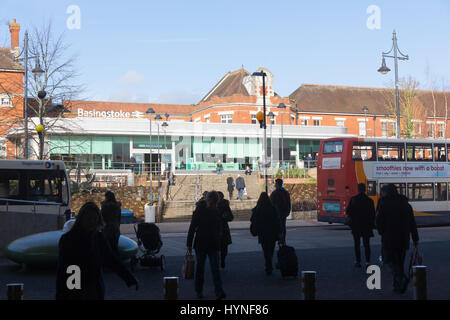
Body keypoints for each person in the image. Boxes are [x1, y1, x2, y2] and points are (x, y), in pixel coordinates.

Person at [56, 202, 138, 300]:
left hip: (93, 288)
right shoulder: (70, 239)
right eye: (89, 219)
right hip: (79, 290)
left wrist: (129, 277)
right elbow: (64, 269)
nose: (92, 222)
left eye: (94, 219)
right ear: (81, 219)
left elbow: (111, 260)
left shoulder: (98, 238)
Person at [376, 184, 419, 294]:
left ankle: (401, 278)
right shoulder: (406, 205)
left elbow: (378, 221)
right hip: (403, 239)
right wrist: (415, 238)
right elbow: (412, 223)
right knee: (400, 262)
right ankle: (398, 286)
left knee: (389, 260)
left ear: (386, 192)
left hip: (389, 239)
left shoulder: (384, 204)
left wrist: (381, 232)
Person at [187, 191, 226, 300]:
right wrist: (189, 244)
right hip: (205, 243)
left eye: (214, 203)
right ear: (208, 200)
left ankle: (216, 291)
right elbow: (193, 227)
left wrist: (189, 244)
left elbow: (192, 227)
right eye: (212, 202)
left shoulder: (214, 210)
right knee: (206, 269)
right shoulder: (201, 210)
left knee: (209, 268)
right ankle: (205, 291)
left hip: (205, 243)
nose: (213, 204)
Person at [250, 192, 282, 275]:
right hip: (272, 232)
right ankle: (269, 264)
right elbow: (277, 221)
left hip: (262, 232)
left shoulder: (257, 208)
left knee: (265, 249)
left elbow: (252, 219)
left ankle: (268, 265)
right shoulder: (273, 208)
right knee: (271, 249)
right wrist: (280, 232)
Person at [345, 183, 376, 268]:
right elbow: (373, 214)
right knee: (367, 244)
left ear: (358, 189)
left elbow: (348, 211)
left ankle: (358, 262)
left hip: (356, 225)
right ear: (365, 189)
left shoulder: (353, 199)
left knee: (357, 244)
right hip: (366, 226)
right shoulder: (370, 200)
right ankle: (367, 262)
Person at [269, 179, 291, 243]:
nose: (275, 185)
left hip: (276, 213)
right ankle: (283, 239)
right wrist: (288, 211)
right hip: (284, 212)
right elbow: (288, 203)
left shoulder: (274, 193)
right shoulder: (285, 192)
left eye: (275, 183)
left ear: (277, 184)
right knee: (283, 226)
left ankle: (279, 239)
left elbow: (271, 203)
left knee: (277, 227)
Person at [217, 191, 234, 269]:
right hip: (218, 229)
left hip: (223, 228)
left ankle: (222, 259)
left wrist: (226, 216)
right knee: (218, 247)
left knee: (223, 247)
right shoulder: (212, 205)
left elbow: (231, 217)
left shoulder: (225, 205)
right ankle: (219, 260)